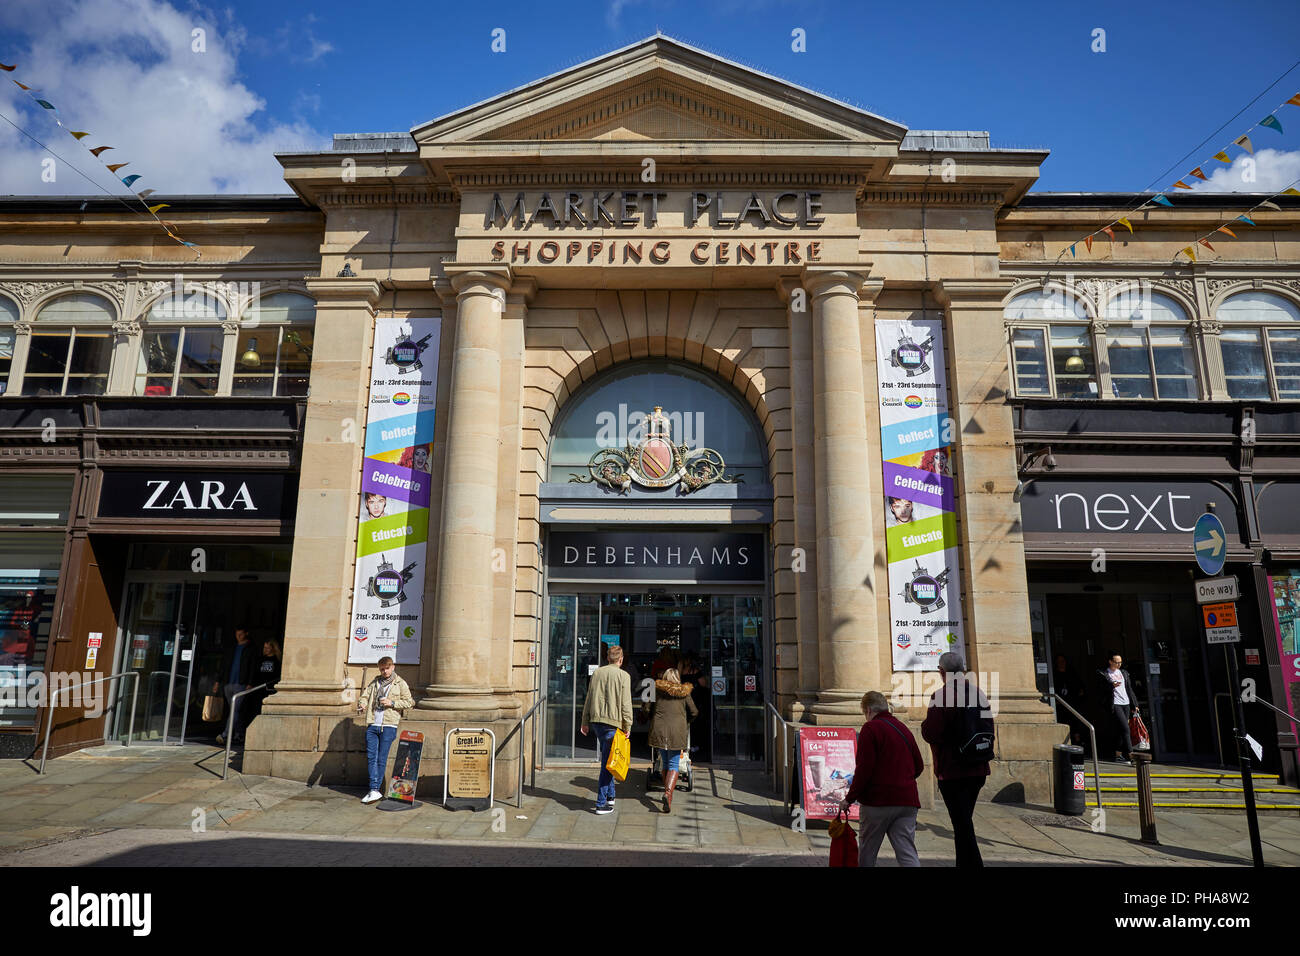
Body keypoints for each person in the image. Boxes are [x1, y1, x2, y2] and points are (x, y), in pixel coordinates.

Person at [921, 651, 991, 868]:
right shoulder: (979, 693)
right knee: (963, 822)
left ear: (941, 672)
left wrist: (924, 727)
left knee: (962, 825)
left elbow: (931, 732)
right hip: (978, 767)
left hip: (953, 770)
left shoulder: (941, 696)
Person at [840, 691, 924, 867]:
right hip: (907, 801)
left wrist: (849, 798)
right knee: (907, 852)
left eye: (864, 713)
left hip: (877, 802)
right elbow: (919, 766)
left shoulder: (870, 729)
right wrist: (903, 781)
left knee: (868, 852)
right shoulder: (903, 728)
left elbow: (864, 770)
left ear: (869, 710)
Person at [580, 643, 633, 814]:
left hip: (597, 722)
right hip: (613, 723)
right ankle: (601, 803)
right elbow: (626, 703)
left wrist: (585, 721)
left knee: (609, 758)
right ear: (621, 659)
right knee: (607, 764)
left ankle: (610, 796)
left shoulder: (597, 673)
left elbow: (589, 698)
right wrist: (628, 724)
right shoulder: (624, 676)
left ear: (608, 658)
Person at [356, 656, 414, 804]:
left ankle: (374, 789)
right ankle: (374, 790)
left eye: (387, 668)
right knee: (371, 757)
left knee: (381, 759)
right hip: (373, 724)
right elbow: (365, 696)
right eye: (382, 669)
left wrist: (392, 702)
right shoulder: (375, 682)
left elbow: (409, 702)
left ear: (392, 667)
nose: (384, 671)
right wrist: (362, 704)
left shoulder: (400, 683)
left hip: (389, 725)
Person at [645, 666, 697, 813]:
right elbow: (694, 711)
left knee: (665, 762)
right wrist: (686, 722)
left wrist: (653, 719)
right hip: (677, 731)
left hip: (660, 729)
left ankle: (668, 794)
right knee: (674, 764)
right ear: (677, 678)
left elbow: (647, 708)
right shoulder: (684, 692)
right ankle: (668, 794)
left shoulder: (656, 689)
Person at [214, 625, 257, 745]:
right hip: (228, 683)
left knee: (234, 710)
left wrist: (250, 683)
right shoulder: (231, 648)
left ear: (246, 634)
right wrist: (218, 681)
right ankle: (239, 734)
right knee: (235, 710)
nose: (238, 637)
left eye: (241, 634)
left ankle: (225, 734)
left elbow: (252, 667)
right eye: (237, 634)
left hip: (241, 684)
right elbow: (223, 665)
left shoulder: (250, 649)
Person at [1097, 653, 1140, 765]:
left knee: (1122, 730)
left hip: (1125, 703)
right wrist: (1111, 686)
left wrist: (1134, 704)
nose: (1119, 664)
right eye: (1116, 662)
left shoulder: (1124, 673)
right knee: (1126, 729)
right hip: (1115, 704)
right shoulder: (1104, 673)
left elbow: (1129, 689)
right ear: (1110, 661)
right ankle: (1132, 756)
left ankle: (1118, 755)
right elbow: (1100, 689)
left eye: (1120, 662)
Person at [243, 638, 283, 730]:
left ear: (273, 648)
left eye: (268, 648)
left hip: (269, 690)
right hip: (258, 689)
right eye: (264, 647)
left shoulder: (277, 661)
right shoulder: (260, 659)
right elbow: (255, 673)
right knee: (253, 710)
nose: (265, 650)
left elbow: (277, 675)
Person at [1053, 655, 1087, 747]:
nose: (1061, 663)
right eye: (1059, 661)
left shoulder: (1071, 673)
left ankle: (1077, 743)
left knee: (1075, 724)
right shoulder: (1054, 674)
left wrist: (1079, 695)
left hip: (1073, 703)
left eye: (1063, 661)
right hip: (1060, 704)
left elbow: (1080, 687)